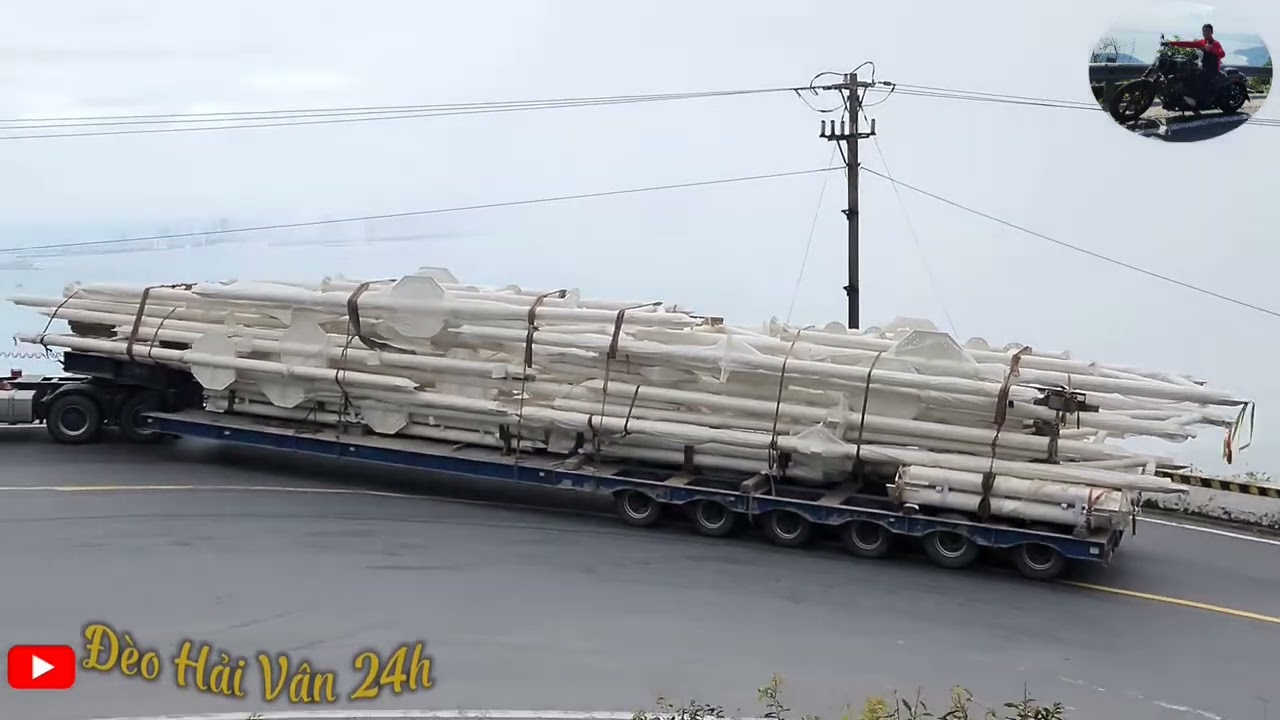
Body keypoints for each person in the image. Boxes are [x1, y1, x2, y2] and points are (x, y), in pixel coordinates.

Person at [1163, 24, 1226, 110]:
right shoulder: (1203, 42)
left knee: (1197, 79)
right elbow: (1188, 44)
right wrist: (1171, 43)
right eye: (1204, 31)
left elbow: (1222, 54)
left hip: (1212, 69)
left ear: (1211, 32)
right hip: (1204, 67)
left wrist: (1211, 49)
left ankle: (1196, 105)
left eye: (1207, 31)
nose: (1205, 33)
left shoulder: (1215, 43)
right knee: (1188, 75)